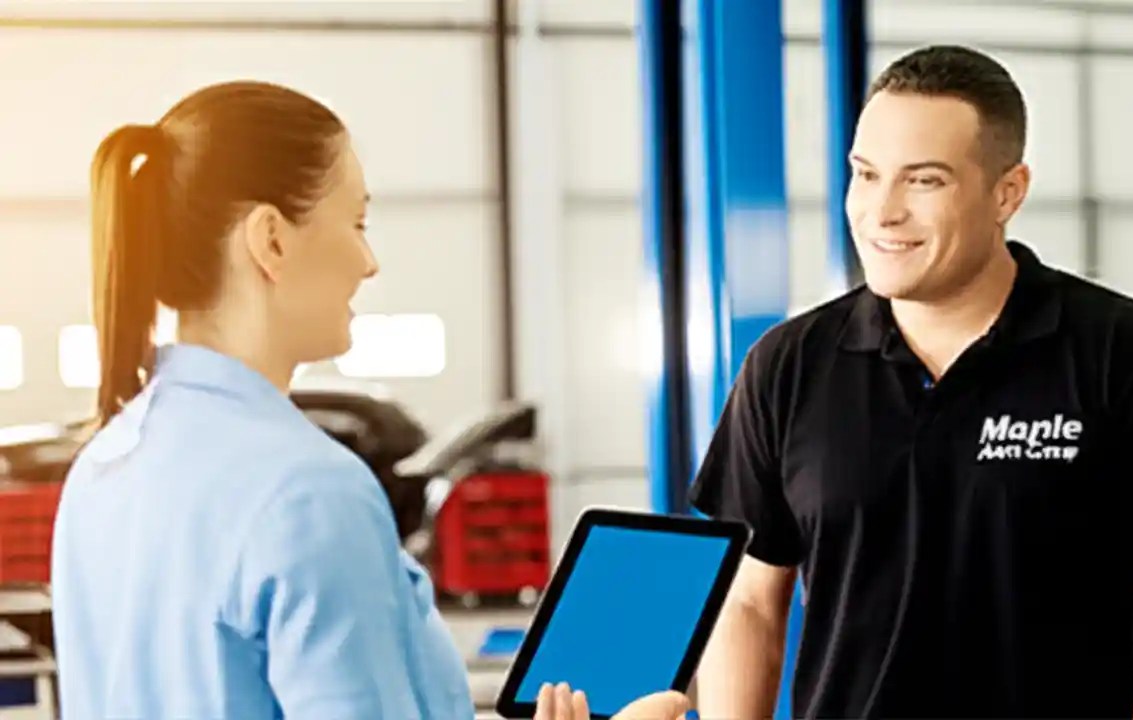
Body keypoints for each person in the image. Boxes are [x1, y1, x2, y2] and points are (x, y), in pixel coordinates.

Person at [50, 80, 689, 720]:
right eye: (356, 223)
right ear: (271, 240)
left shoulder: (100, 470)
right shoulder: (307, 493)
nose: (368, 262)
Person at [689, 44, 1133, 719]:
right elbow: (748, 605)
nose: (881, 211)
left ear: (1008, 193)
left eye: (923, 181)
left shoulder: (1128, 355)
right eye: (866, 174)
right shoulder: (788, 366)